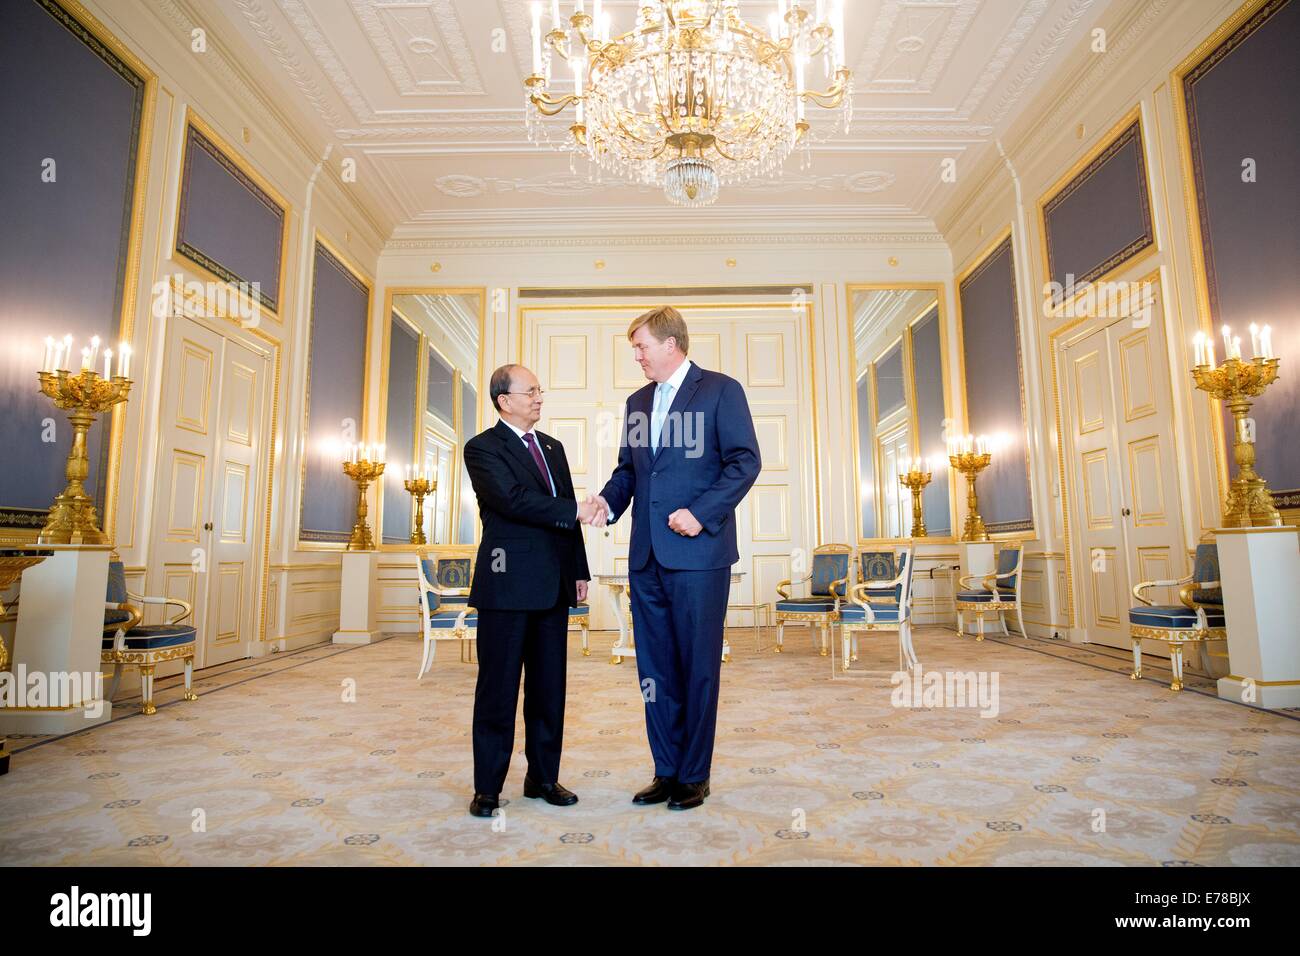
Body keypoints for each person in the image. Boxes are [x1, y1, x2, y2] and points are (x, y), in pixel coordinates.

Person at [587, 306, 761, 810]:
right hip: (646, 555)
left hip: (699, 553)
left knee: (697, 665)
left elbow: (744, 461)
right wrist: (606, 502)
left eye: (641, 346)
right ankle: (665, 769)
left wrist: (701, 513)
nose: (637, 356)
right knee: (654, 669)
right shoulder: (638, 402)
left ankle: (694, 774)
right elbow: (631, 472)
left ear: (671, 344)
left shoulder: (720, 390)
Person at [461, 363, 603, 818]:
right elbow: (511, 500)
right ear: (504, 400)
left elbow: (563, 517)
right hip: (506, 587)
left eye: (541, 390)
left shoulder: (553, 448)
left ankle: (542, 778)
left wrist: (578, 568)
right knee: (498, 690)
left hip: (554, 584)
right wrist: (578, 510)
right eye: (531, 391)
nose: (540, 397)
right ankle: (487, 787)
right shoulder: (482, 447)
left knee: (548, 690)